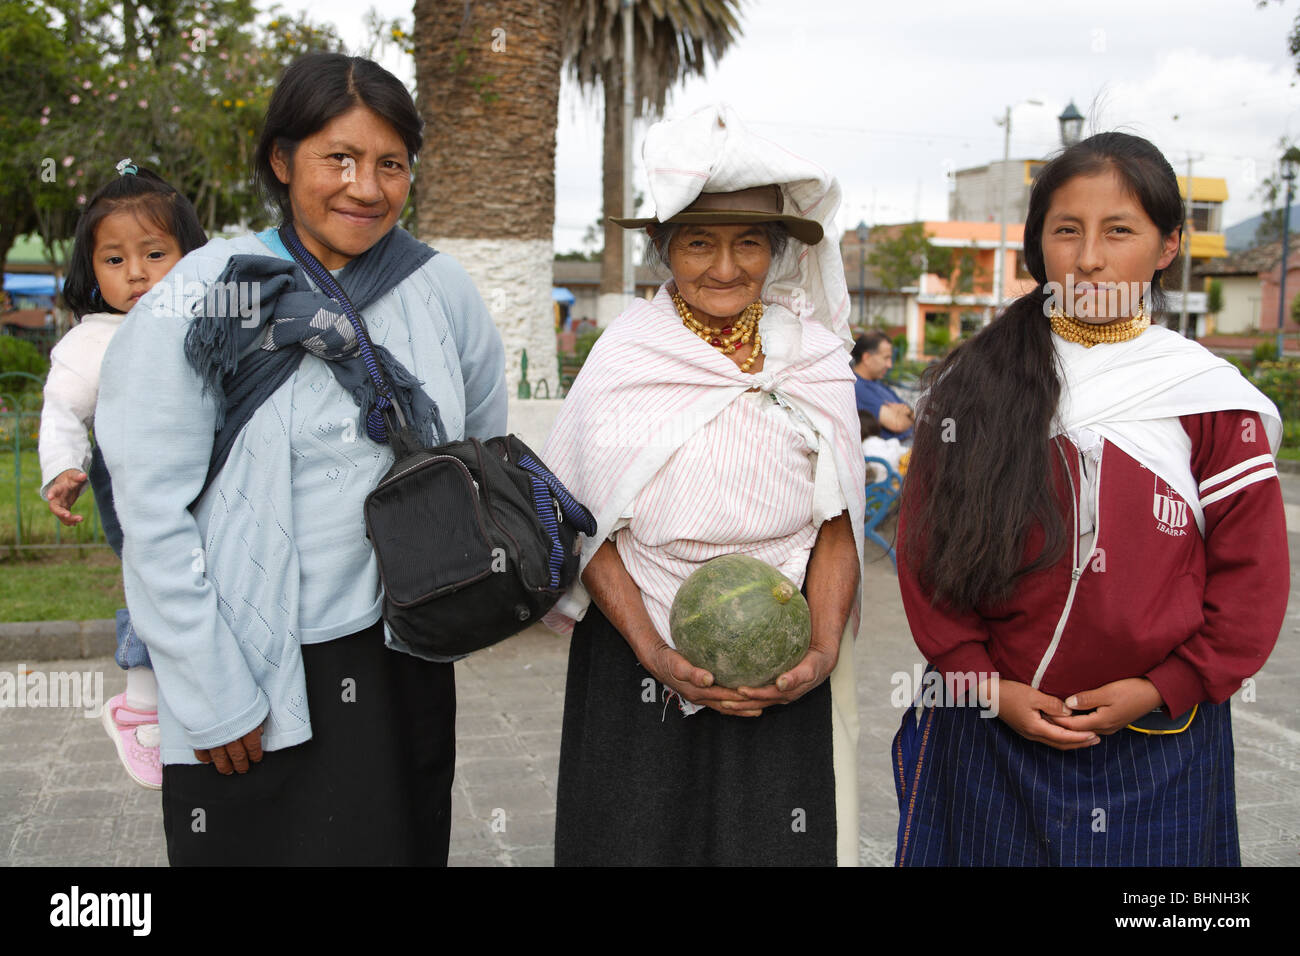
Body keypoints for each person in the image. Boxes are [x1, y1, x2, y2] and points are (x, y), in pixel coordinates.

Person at [95, 52, 506, 865]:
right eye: (339, 159)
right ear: (283, 162)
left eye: (392, 164)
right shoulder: (209, 292)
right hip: (248, 660)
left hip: (405, 652)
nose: (367, 186)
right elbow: (151, 512)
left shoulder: (440, 288)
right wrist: (211, 692)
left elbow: (486, 457)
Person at [893, 132, 1287, 866]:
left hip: (1162, 737)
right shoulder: (973, 388)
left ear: (1169, 245)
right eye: (1066, 231)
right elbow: (925, 554)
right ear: (1038, 246)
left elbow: (1251, 576)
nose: (1090, 258)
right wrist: (985, 684)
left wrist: (1164, 684)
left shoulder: (1207, 399)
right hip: (989, 731)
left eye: (1120, 232)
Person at [541, 104, 866, 866]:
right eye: (698, 242)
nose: (725, 268)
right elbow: (585, 524)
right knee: (633, 841)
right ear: (663, 248)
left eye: (749, 242)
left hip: (783, 664)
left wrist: (817, 653)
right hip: (636, 660)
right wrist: (656, 652)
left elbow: (838, 526)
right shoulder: (624, 359)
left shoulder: (814, 360)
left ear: (779, 250)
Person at [39, 160, 207, 790]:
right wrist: (63, 468)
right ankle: (137, 703)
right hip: (133, 486)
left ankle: (190, 692)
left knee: (203, 581)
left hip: (205, 479)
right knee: (151, 577)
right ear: (93, 272)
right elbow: (61, 411)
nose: (136, 272)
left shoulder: (208, 322)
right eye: (114, 260)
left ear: (192, 257)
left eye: (155, 253)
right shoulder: (93, 343)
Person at [850, 331, 913, 440]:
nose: (890, 365)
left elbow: (912, 412)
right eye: (886, 358)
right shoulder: (857, 387)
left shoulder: (879, 384)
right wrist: (911, 416)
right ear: (867, 358)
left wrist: (909, 413)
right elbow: (897, 424)